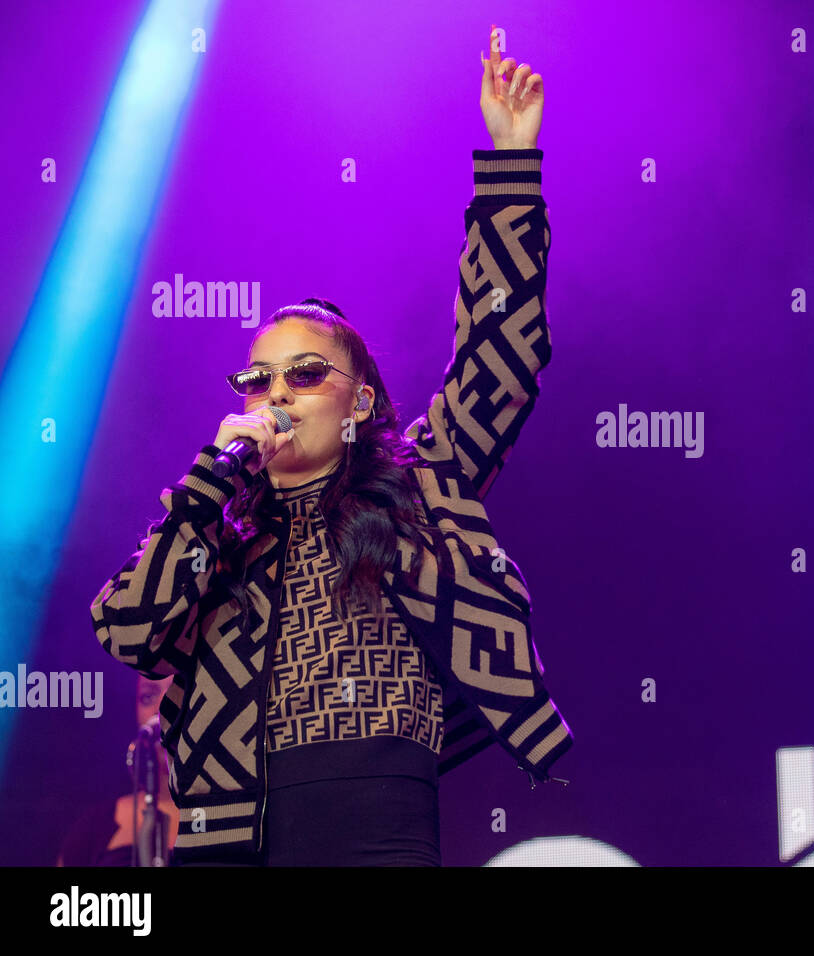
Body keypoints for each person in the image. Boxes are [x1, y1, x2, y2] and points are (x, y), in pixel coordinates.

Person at [90, 28, 572, 866]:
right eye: (256, 379)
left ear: (362, 401)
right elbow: (129, 628)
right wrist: (207, 484)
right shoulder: (220, 522)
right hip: (230, 848)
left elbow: (505, 352)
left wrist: (509, 168)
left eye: (306, 373)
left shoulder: (422, 481)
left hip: (381, 835)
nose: (274, 393)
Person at [57, 675, 180, 866]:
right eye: (148, 697)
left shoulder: (227, 815)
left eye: (178, 693)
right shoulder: (96, 825)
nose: (160, 708)